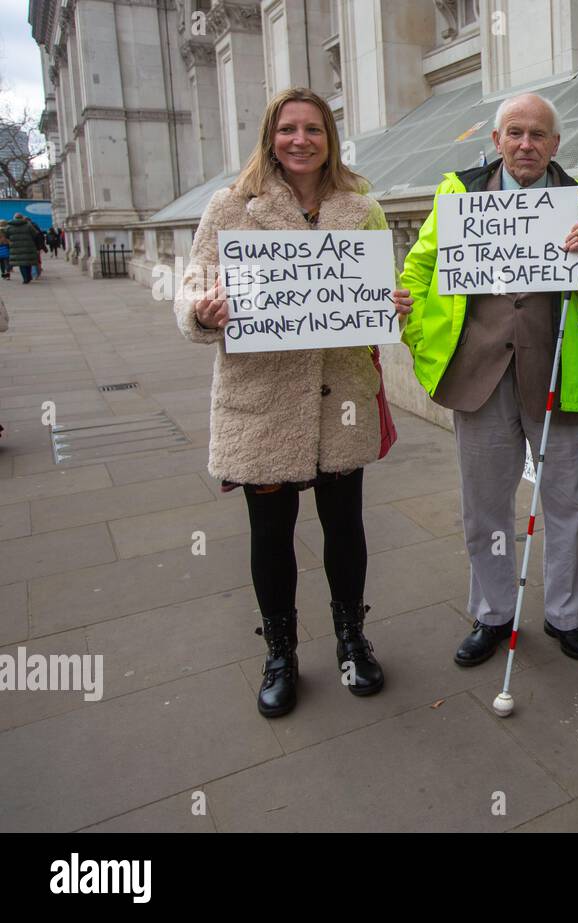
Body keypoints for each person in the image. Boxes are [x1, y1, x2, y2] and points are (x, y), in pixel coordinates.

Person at [174, 87, 408, 718]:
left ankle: (351, 638)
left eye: (313, 129)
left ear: (329, 139)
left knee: (345, 525)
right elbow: (191, 287)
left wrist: (391, 305)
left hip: (342, 400)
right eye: (288, 129)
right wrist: (202, 309)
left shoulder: (362, 209)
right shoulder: (231, 206)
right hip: (262, 400)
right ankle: (280, 652)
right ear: (270, 137)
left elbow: (381, 287)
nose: (300, 140)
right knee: (270, 533)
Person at [400, 93, 578, 666]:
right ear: (497, 140)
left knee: (566, 505)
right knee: (484, 506)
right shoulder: (458, 194)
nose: (526, 144)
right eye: (515, 133)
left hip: (557, 376)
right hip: (479, 374)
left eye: (538, 135)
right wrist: (420, 340)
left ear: (555, 144)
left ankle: (566, 616)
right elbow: (420, 270)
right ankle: (492, 613)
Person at [6, 215, 41, 284]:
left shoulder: (9, 227)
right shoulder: (28, 225)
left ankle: (25, 278)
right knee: (28, 262)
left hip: (15, 247)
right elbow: (35, 234)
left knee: (21, 264)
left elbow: (7, 236)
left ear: (14, 218)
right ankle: (28, 277)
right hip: (28, 246)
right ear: (22, 218)